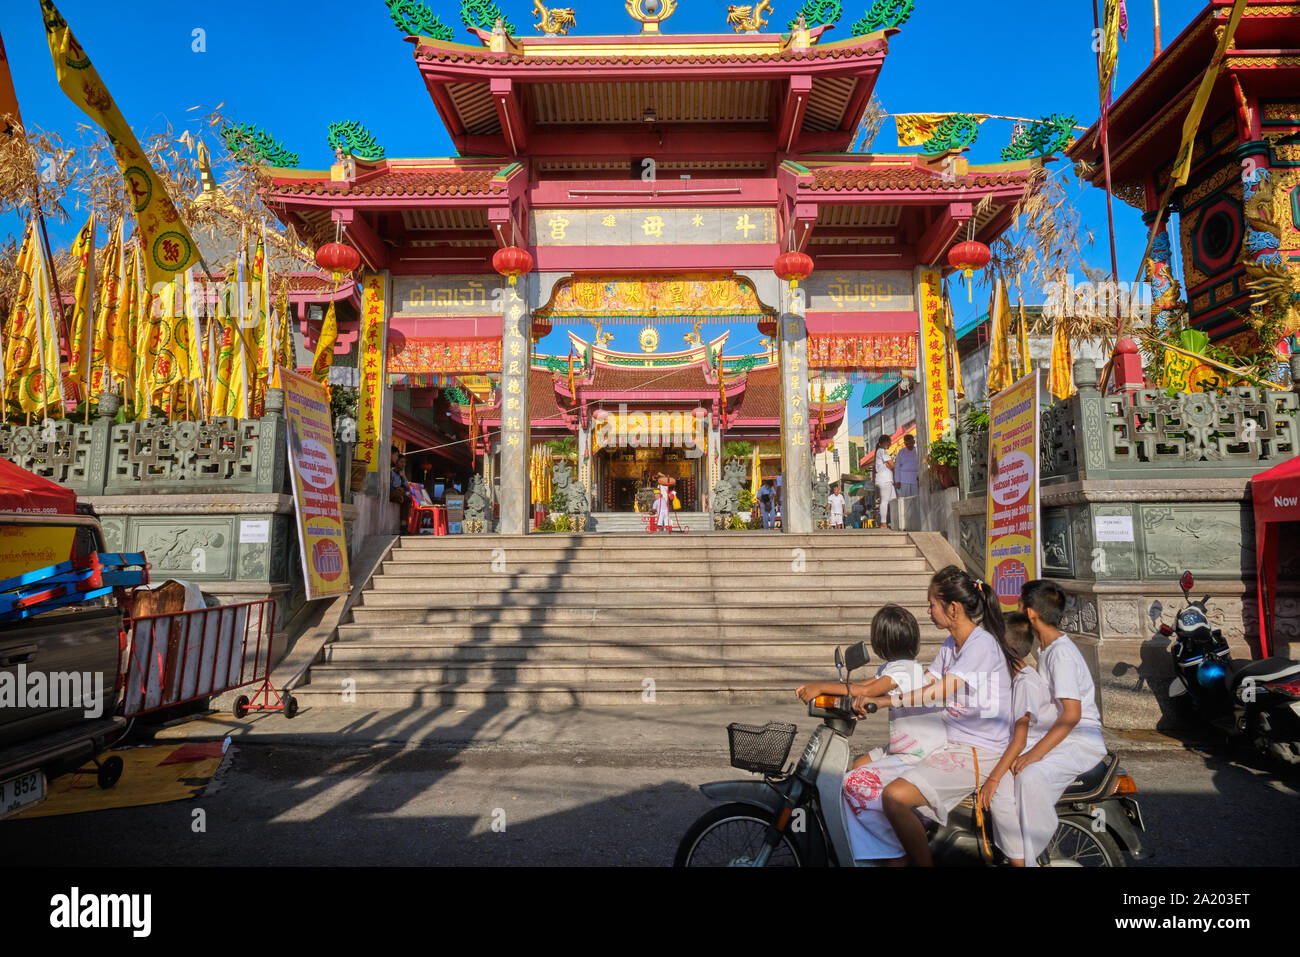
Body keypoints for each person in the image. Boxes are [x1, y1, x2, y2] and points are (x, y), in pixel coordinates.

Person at [852, 565, 1017, 866]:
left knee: (895, 796)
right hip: (947, 743)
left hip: (978, 752)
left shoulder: (981, 645)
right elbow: (926, 681)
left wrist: (887, 701)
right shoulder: (951, 644)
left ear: (953, 608)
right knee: (862, 775)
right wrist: (873, 694)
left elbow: (940, 691)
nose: (928, 611)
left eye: (932, 604)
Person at [797, 605, 947, 863]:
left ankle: (892, 845)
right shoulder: (896, 667)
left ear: (881, 642)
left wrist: (820, 685)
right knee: (859, 765)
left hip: (919, 754)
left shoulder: (905, 670)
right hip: (906, 749)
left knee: (852, 783)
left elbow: (869, 688)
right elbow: (865, 687)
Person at [1010, 579, 1108, 867]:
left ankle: (1028, 857)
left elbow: (1072, 714)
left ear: (1030, 613)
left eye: (1019, 603)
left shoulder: (1060, 654)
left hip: (1079, 741)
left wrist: (1033, 755)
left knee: (1029, 777)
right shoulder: (1048, 649)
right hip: (1061, 736)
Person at [977, 612, 1051, 867]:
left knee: (999, 800)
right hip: (1009, 748)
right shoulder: (1008, 678)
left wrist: (994, 778)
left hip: (1025, 754)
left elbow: (1019, 740)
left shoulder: (1025, 683)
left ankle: (1020, 863)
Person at [873, 436, 896, 529]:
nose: (890, 443)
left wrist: (889, 465)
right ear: (885, 442)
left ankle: (895, 521)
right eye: (889, 442)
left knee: (894, 500)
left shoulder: (880, 452)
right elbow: (892, 464)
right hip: (884, 479)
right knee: (885, 501)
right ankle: (883, 523)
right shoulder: (882, 451)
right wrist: (890, 464)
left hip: (886, 479)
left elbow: (890, 465)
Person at [895, 434, 919, 499]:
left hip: (915, 479)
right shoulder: (901, 452)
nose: (909, 445)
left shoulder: (918, 451)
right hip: (903, 480)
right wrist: (897, 481)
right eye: (907, 444)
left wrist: (919, 476)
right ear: (904, 443)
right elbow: (897, 467)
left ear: (914, 442)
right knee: (904, 500)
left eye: (910, 443)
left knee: (916, 499)